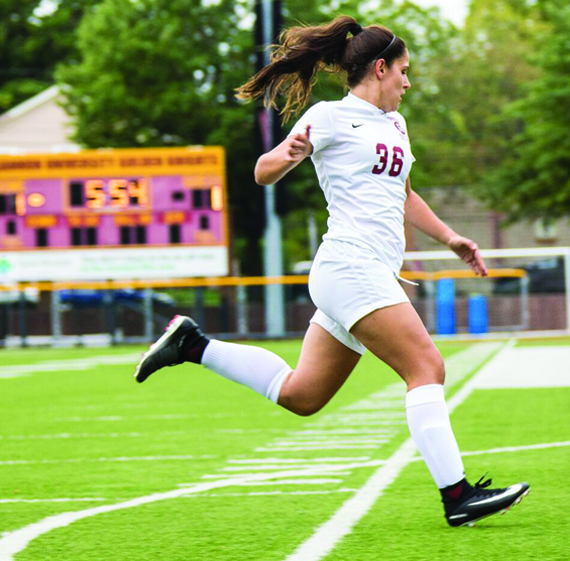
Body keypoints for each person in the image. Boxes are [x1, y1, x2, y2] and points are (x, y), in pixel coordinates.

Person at [134, 15, 528, 528]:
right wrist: (289, 154)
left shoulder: (396, 125)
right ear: (381, 68)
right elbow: (262, 170)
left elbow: (403, 193)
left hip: (364, 273)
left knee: (302, 395)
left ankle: (192, 346)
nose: (409, 83)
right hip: (350, 266)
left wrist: (451, 238)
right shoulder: (330, 117)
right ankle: (456, 496)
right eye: (404, 72)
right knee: (426, 368)